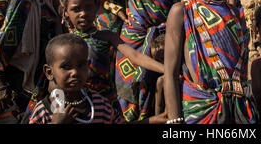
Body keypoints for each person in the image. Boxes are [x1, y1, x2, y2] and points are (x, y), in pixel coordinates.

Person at [164, 0, 258, 124]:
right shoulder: (181, 11)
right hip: (200, 108)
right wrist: (174, 121)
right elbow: (171, 73)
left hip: (238, 109)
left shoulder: (234, 12)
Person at [28, 34, 166, 124]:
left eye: (81, 65)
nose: (75, 72)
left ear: (88, 67)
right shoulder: (44, 111)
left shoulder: (99, 104)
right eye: (66, 67)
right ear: (49, 72)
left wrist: (153, 120)